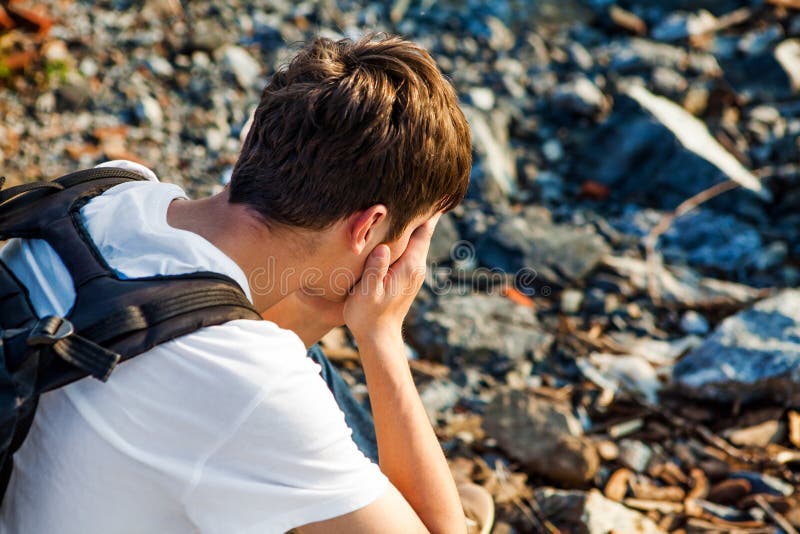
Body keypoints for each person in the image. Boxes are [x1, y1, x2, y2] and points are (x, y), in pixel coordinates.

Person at [0, 34, 472, 533]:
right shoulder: (252, 383)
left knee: (304, 365)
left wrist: (317, 307)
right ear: (368, 227)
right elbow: (239, 377)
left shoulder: (109, 187)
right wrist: (381, 336)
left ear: (257, 141)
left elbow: (203, 323)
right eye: (414, 234)